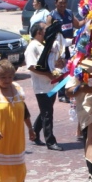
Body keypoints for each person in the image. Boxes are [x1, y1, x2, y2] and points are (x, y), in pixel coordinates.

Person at [25, 22, 63, 150]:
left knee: (46, 111)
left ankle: (35, 133)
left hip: (52, 85)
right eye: (46, 29)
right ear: (39, 32)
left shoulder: (46, 45)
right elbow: (31, 66)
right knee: (47, 113)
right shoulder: (32, 47)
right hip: (41, 87)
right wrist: (48, 74)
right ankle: (50, 141)